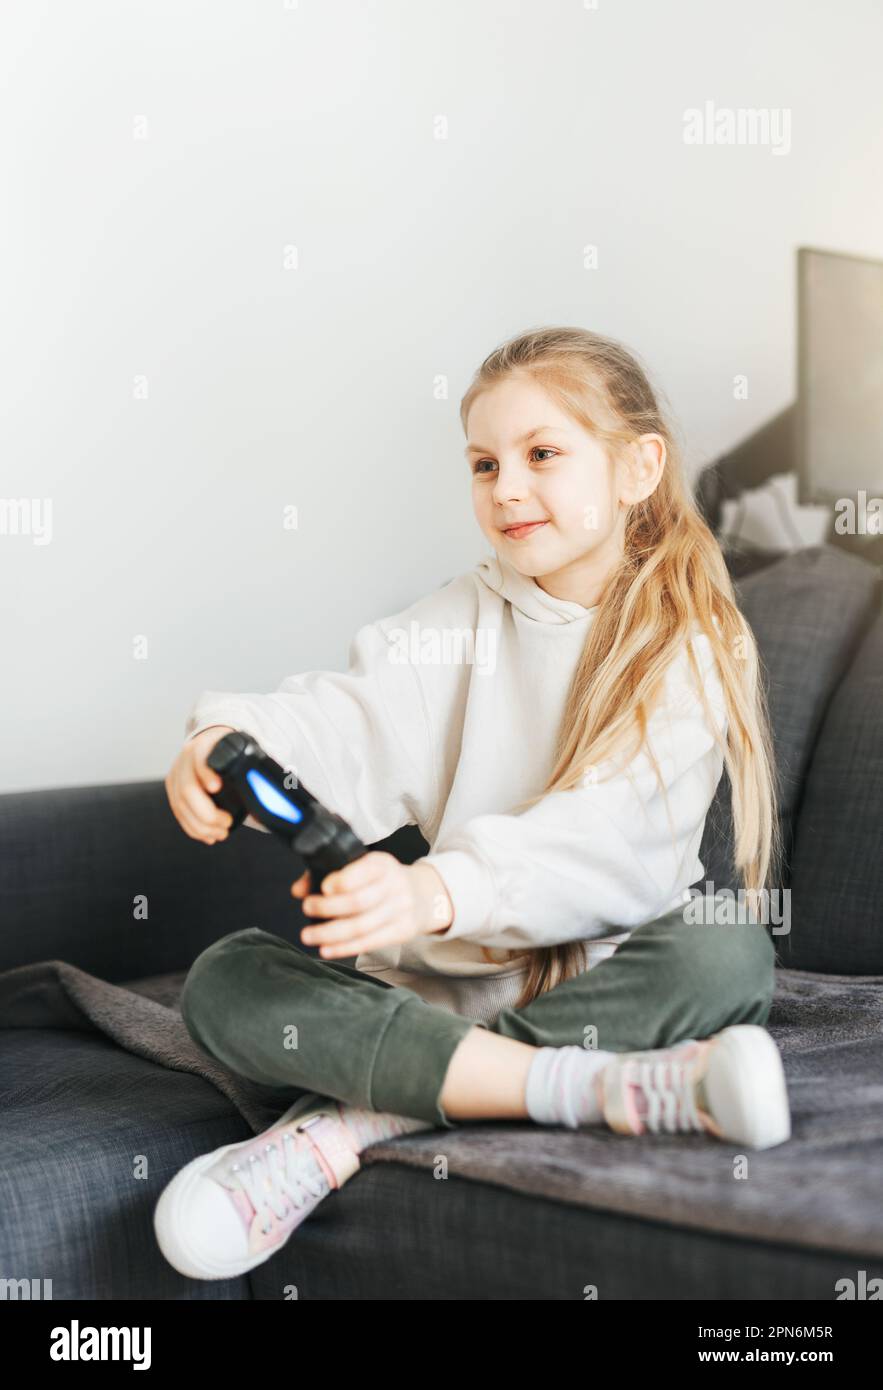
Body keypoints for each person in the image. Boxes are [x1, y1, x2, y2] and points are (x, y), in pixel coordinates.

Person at [154, 325, 790, 1281]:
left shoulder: (690, 641)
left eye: (541, 455)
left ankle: (358, 1120)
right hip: (438, 986)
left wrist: (436, 891)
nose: (507, 488)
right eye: (485, 464)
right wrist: (229, 740)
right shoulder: (459, 617)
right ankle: (587, 1087)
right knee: (224, 981)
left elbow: (612, 837)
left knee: (726, 945)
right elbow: (345, 717)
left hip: (602, 980)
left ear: (637, 467)